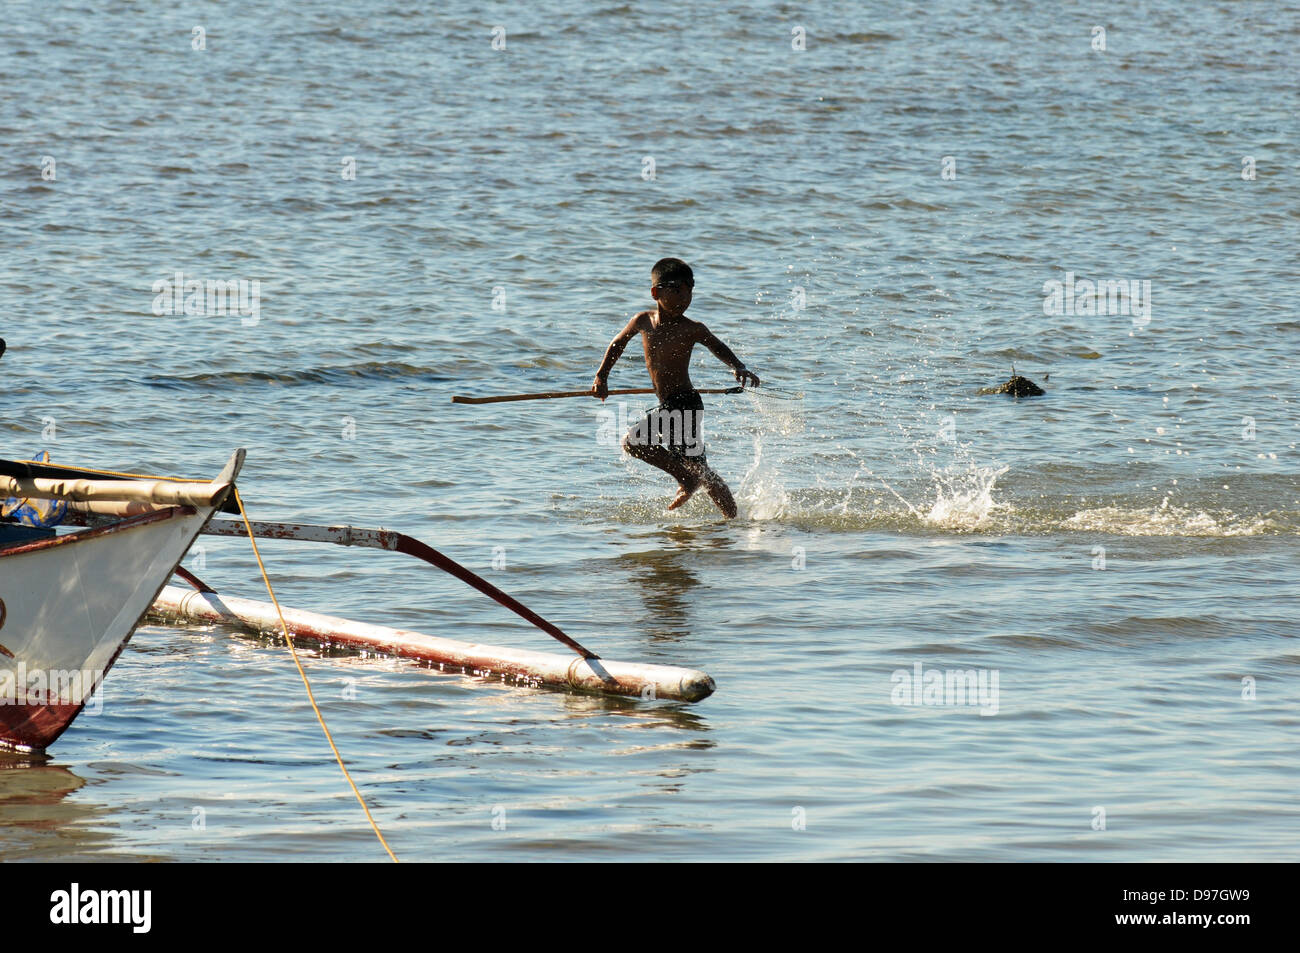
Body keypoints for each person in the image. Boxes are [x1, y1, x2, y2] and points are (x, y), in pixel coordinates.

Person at [591, 258, 759, 519]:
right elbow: (617, 344)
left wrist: (738, 366)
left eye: (690, 291)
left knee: (634, 442)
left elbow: (717, 346)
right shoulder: (643, 321)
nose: (686, 298)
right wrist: (602, 377)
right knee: (700, 468)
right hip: (673, 404)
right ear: (656, 293)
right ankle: (733, 520)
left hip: (685, 402)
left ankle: (689, 482)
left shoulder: (692, 329)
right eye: (678, 291)